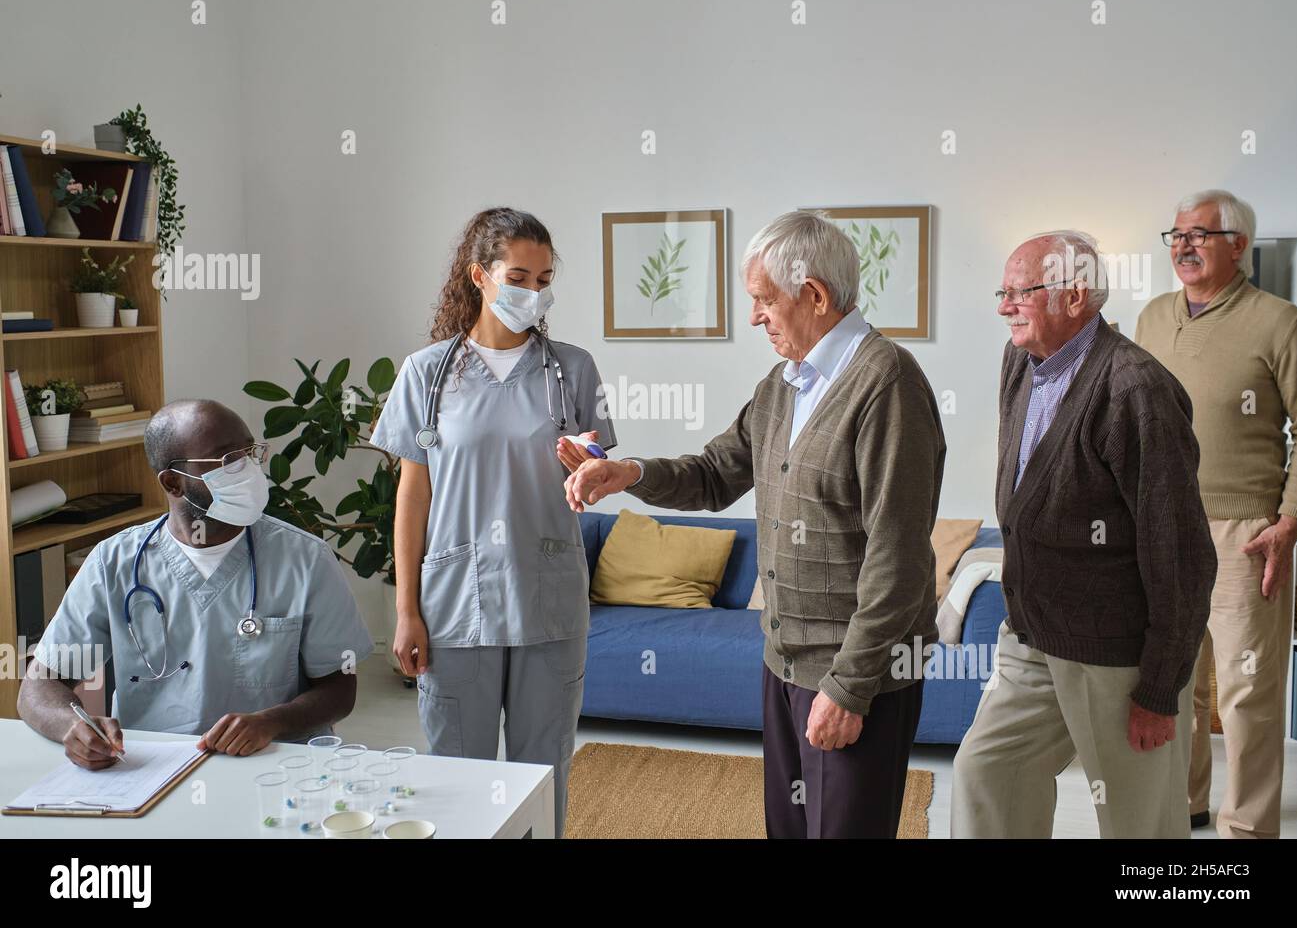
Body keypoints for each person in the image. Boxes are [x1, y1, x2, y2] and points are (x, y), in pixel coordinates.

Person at [559, 210, 945, 838]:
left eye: (764, 300)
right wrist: (630, 473)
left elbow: (897, 557)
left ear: (814, 295)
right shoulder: (784, 385)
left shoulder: (887, 383)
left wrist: (849, 688)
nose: (756, 316)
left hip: (856, 673)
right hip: (786, 664)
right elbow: (715, 473)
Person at [950, 231, 1215, 838]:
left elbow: (1180, 552)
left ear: (1075, 297)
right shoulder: (1019, 361)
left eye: (1019, 292)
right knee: (986, 771)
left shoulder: (1136, 389)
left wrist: (1158, 685)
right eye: (1003, 291)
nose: (1003, 306)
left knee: (1136, 822)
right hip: (1032, 635)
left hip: (1115, 654)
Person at [370, 207, 615, 836]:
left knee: (544, 771)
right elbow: (412, 497)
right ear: (480, 276)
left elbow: (594, 474)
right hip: (456, 605)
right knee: (457, 777)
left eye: (543, 279)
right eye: (519, 276)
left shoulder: (574, 369)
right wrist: (405, 609)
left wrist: (586, 469)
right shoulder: (426, 374)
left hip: (548, 601)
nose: (532, 292)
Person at [18, 399, 373, 769]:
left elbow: (339, 689)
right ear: (173, 482)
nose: (248, 469)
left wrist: (273, 721)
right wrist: (73, 726)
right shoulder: (114, 563)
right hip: (153, 769)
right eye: (226, 460)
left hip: (277, 763)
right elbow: (39, 685)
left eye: (249, 452)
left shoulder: (305, 558)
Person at [1135, 189, 1297, 839]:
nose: (1182, 245)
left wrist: (1288, 521)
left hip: (1246, 532)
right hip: (1162, 525)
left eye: (1199, 234)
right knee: (1172, 685)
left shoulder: (1279, 320)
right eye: (1175, 235)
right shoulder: (1150, 318)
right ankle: (1184, 806)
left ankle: (1248, 828)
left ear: (1239, 245)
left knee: (1246, 694)